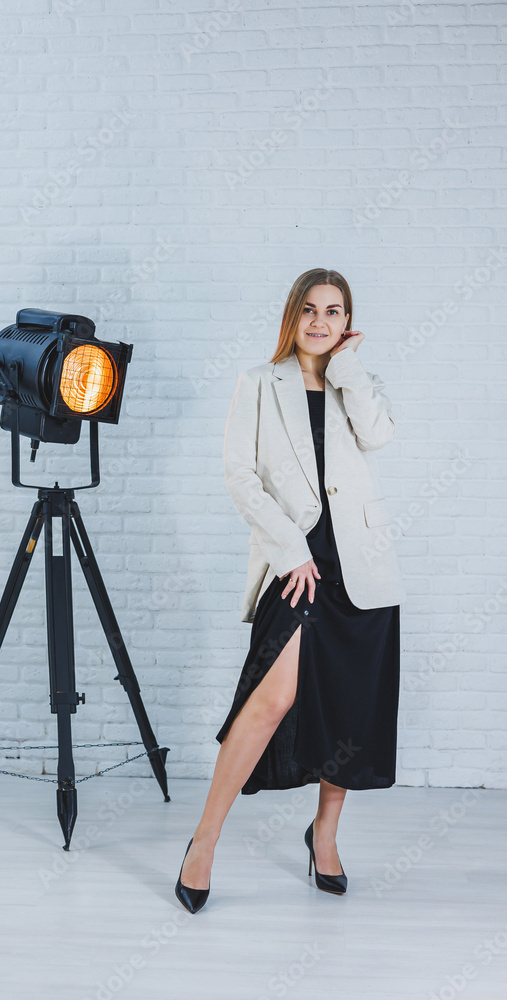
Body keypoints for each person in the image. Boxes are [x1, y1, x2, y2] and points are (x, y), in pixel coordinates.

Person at [175, 268, 405, 913]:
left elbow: (378, 436)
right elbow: (240, 476)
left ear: (347, 322)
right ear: (291, 316)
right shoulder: (258, 383)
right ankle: (204, 840)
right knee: (272, 698)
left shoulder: (358, 382)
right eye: (309, 309)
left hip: (362, 564)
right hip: (297, 563)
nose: (320, 322)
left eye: (334, 311)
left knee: (351, 705)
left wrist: (349, 369)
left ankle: (324, 834)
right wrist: (290, 550)